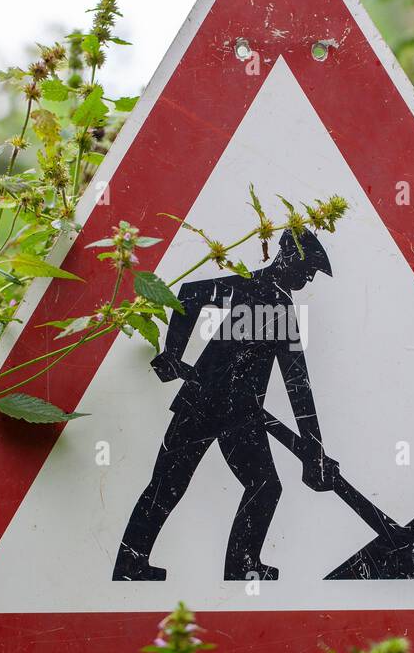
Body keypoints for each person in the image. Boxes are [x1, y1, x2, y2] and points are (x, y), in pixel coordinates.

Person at [112, 229, 338, 581]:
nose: (308, 278)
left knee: (261, 486)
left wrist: (316, 449)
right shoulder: (250, 288)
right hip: (208, 403)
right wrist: (172, 354)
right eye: (307, 269)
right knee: (170, 484)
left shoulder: (273, 303)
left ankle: (240, 565)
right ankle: (135, 564)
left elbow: (297, 383)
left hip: (237, 413)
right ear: (287, 256)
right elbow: (189, 295)